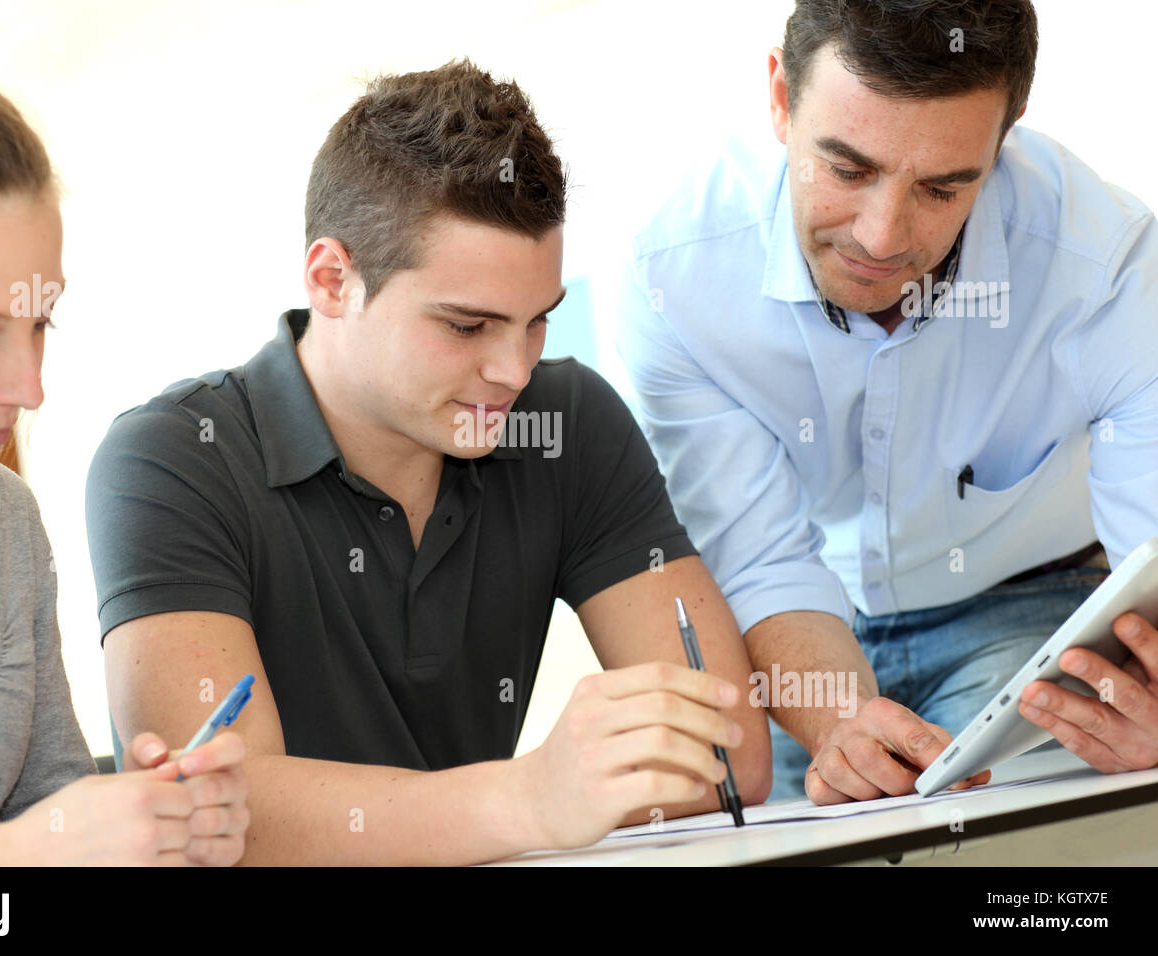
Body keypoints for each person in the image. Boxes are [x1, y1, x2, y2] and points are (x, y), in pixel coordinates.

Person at [86, 59, 772, 866]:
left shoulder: (566, 423)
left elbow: (727, 756)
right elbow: (213, 816)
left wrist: (523, 806)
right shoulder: (169, 462)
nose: (513, 372)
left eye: (536, 323)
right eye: (467, 326)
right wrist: (527, 799)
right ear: (333, 279)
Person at [615, 0, 1158, 804]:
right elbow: (763, 560)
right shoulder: (676, 279)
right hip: (799, 625)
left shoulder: (1108, 267)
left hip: (1030, 610)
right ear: (779, 97)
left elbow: (1151, 556)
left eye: (943, 188)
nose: (881, 236)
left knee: (996, 840)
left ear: (1002, 140)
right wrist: (837, 719)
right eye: (847, 169)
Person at [0, 25, 249, 865]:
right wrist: (32, 850)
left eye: (40, 324)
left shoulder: (3, 521)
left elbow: (48, 800)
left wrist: (145, 823)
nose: (30, 388)